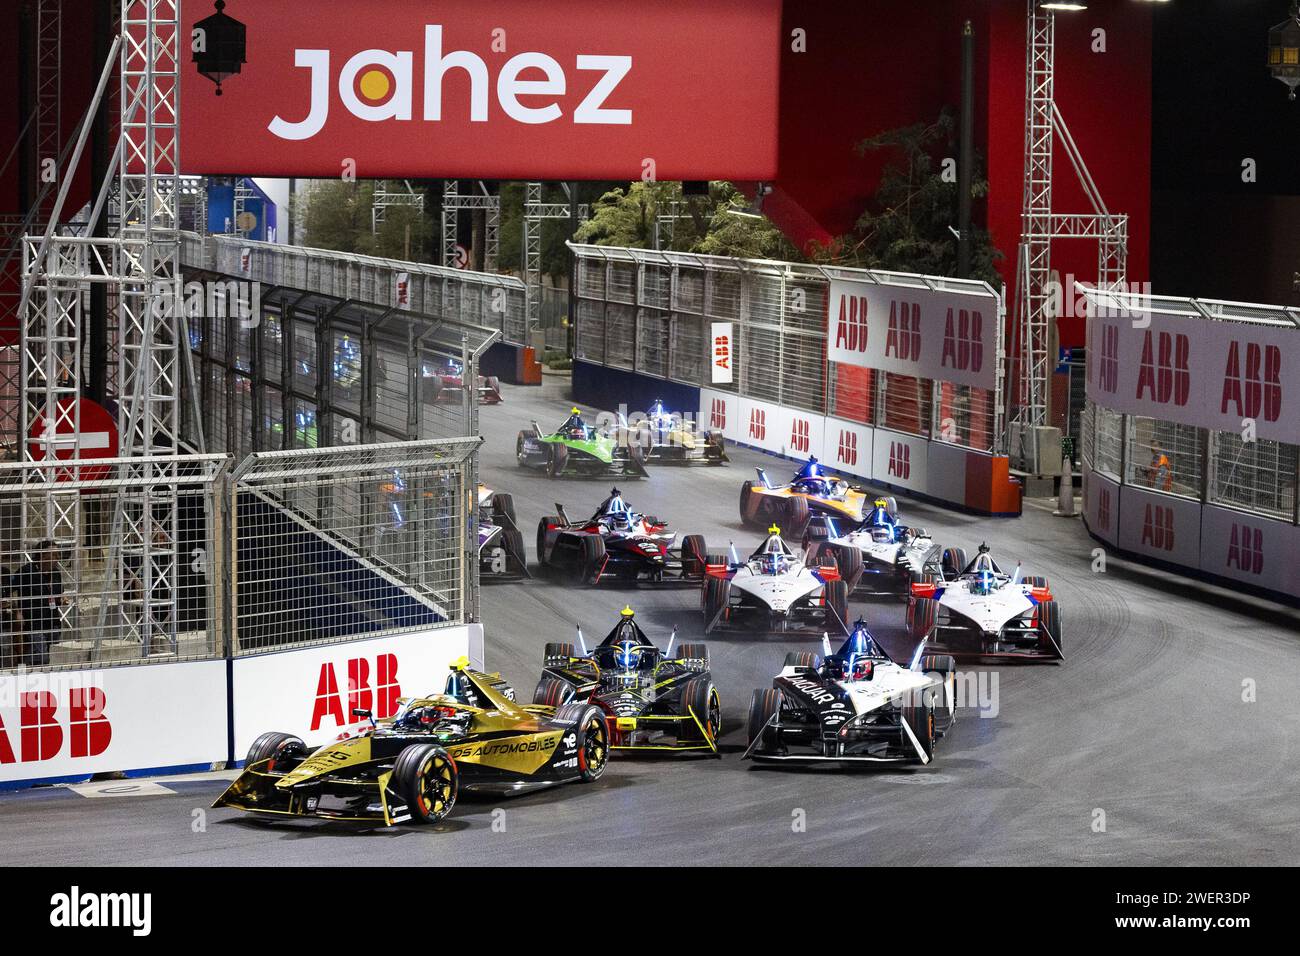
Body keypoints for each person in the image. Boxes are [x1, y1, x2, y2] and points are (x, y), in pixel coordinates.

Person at [5, 541, 65, 667]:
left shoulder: (56, 573)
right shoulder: (27, 571)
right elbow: (8, 590)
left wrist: (61, 599)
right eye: (54, 555)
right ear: (43, 556)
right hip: (34, 623)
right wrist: (16, 611)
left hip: (53, 622)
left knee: (51, 655)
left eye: (58, 555)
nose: (57, 558)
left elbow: (58, 594)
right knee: (40, 658)